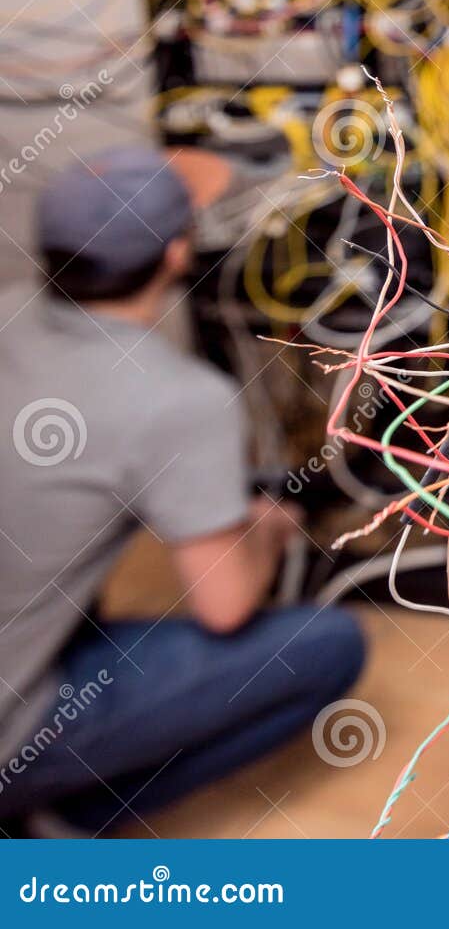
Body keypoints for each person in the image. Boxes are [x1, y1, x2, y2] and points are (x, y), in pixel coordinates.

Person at [0, 145, 365, 835]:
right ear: (175, 254)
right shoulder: (180, 401)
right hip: (10, 734)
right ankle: (53, 819)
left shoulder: (9, 310)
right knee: (329, 645)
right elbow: (225, 607)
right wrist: (267, 527)